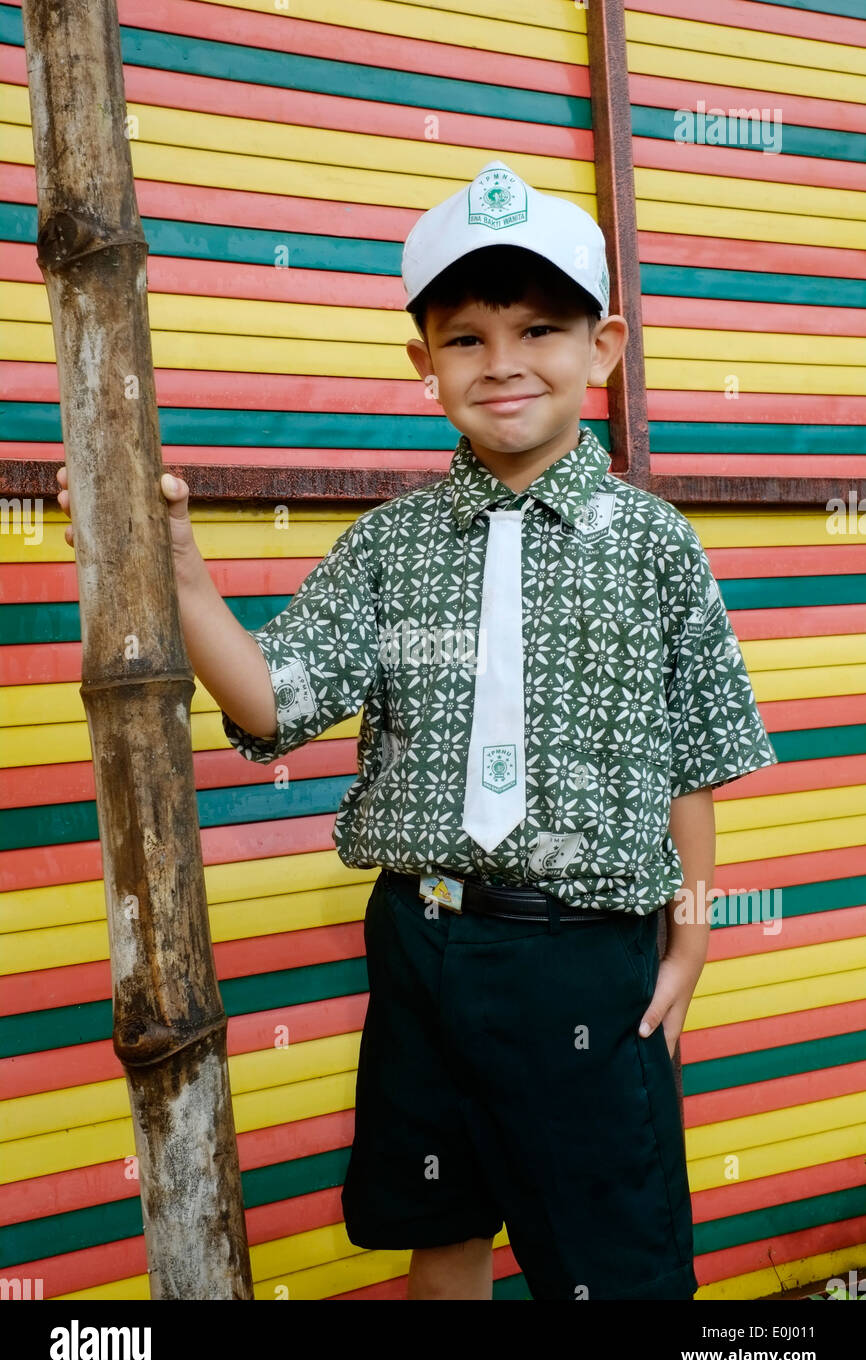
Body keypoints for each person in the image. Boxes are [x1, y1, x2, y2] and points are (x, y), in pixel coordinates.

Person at [56, 159, 777, 1301]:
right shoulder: (386, 550)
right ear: (421, 363)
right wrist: (183, 573)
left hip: (583, 958)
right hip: (420, 942)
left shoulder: (652, 545)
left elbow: (693, 764)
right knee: (437, 1224)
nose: (502, 362)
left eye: (539, 328)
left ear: (602, 349)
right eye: (464, 336)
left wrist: (684, 947)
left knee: (612, 1261)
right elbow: (270, 701)